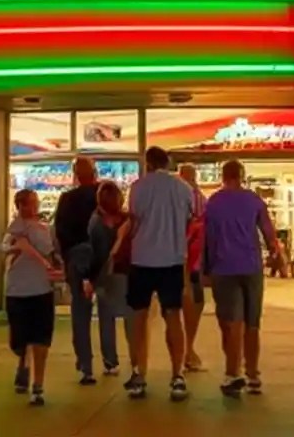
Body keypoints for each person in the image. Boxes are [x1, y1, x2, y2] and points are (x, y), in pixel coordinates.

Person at [203, 159, 281, 397]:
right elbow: (268, 231)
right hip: (252, 267)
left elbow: (209, 239)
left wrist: (206, 269)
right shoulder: (254, 200)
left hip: (224, 268)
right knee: (252, 322)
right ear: (242, 175)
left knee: (231, 323)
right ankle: (254, 374)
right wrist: (276, 253)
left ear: (223, 176)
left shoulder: (213, 203)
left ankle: (232, 372)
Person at [124, 146, 194, 401]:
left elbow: (134, 222)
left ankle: (138, 374)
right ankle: (177, 376)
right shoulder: (183, 188)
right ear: (167, 162)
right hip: (173, 260)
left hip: (142, 259)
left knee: (139, 318)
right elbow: (189, 221)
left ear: (148, 163)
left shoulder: (138, 188)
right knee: (173, 317)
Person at [4, 188, 58, 406]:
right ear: (20, 206)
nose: (34, 207)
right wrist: (17, 246)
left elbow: (49, 251)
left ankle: (38, 384)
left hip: (41, 290)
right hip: (17, 291)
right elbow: (6, 247)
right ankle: (23, 362)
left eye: (35, 203)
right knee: (19, 339)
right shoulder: (12, 230)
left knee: (41, 339)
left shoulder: (43, 229)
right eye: (30, 203)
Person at [54, 156, 101, 385]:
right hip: (102, 258)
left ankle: (86, 364)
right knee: (110, 310)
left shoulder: (67, 199)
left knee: (80, 312)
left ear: (75, 174)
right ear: (95, 172)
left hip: (76, 257)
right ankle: (112, 359)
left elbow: (60, 232)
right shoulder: (103, 194)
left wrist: (64, 261)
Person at [83, 180, 134, 379]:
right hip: (127, 273)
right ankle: (136, 357)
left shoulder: (95, 222)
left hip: (105, 275)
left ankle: (110, 361)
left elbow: (94, 254)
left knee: (106, 319)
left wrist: (90, 278)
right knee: (131, 318)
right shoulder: (128, 220)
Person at [176, 163, 207, 372]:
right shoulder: (196, 197)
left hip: (179, 256)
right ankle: (187, 350)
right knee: (192, 302)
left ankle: (186, 351)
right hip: (190, 257)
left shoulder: (176, 195)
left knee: (183, 304)